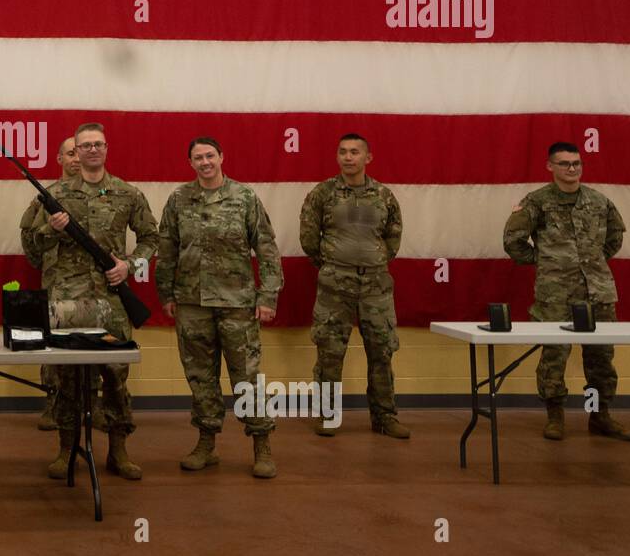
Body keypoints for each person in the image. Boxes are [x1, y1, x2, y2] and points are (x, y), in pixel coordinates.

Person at [24, 123, 157, 481]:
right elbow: (32, 248)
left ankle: (118, 451)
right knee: (66, 378)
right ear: (76, 153)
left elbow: (151, 238)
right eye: (85, 146)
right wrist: (51, 229)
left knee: (115, 377)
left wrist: (129, 266)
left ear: (106, 149)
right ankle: (66, 451)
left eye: (98, 144)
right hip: (67, 301)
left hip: (112, 301)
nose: (92, 150)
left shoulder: (127, 194)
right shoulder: (56, 194)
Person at [155, 137, 282, 479]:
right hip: (192, 303)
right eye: (198, 157)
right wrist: (166, 292)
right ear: (190, 163)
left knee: (247, 379)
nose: (205, 161)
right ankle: (206, 443)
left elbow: (267, 248)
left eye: (210, 155)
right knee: (201, 378)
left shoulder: (244, 197)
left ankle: (261, 443)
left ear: (222, 157)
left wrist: (268, 296)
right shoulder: (179, 199)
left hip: (237, 304)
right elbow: (167, 248)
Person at [503, 142, 630, 442]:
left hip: (598, 292)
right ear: (550, 167)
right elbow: (513, 240)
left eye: (577, 163)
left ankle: (599, 416)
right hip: (555, 294)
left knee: (600, 358)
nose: (572, 169)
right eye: (564, 164)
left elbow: (614, 238)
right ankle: (555, 417)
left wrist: (590, 261)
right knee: (554, 356)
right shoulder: (536, 202)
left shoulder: (599, 201)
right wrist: (545, 260)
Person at [299, 134, 410, 439]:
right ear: (337, 157)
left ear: (367, 158)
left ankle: (385, 416)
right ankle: (328, 415)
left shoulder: (384, 195)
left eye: (355, 152)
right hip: (336, 284)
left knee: (382, 351)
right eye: (343, 152)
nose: (348, 157)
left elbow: (393, 236)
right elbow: (309, 237)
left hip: (376, 286)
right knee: (330, 352)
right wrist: (333, 263)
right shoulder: (323, 193)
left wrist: (374, 260)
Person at [18, 136, 81, 431]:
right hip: (58, 281)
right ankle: (53, 405)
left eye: (80, 152)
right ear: (59, 159)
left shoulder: (109, 193)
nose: (77, 158)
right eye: (70, 153)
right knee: (54, 347)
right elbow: (28, 236)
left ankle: (97, 408)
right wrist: (42, 259)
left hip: (96, 284)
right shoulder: (45, 197)